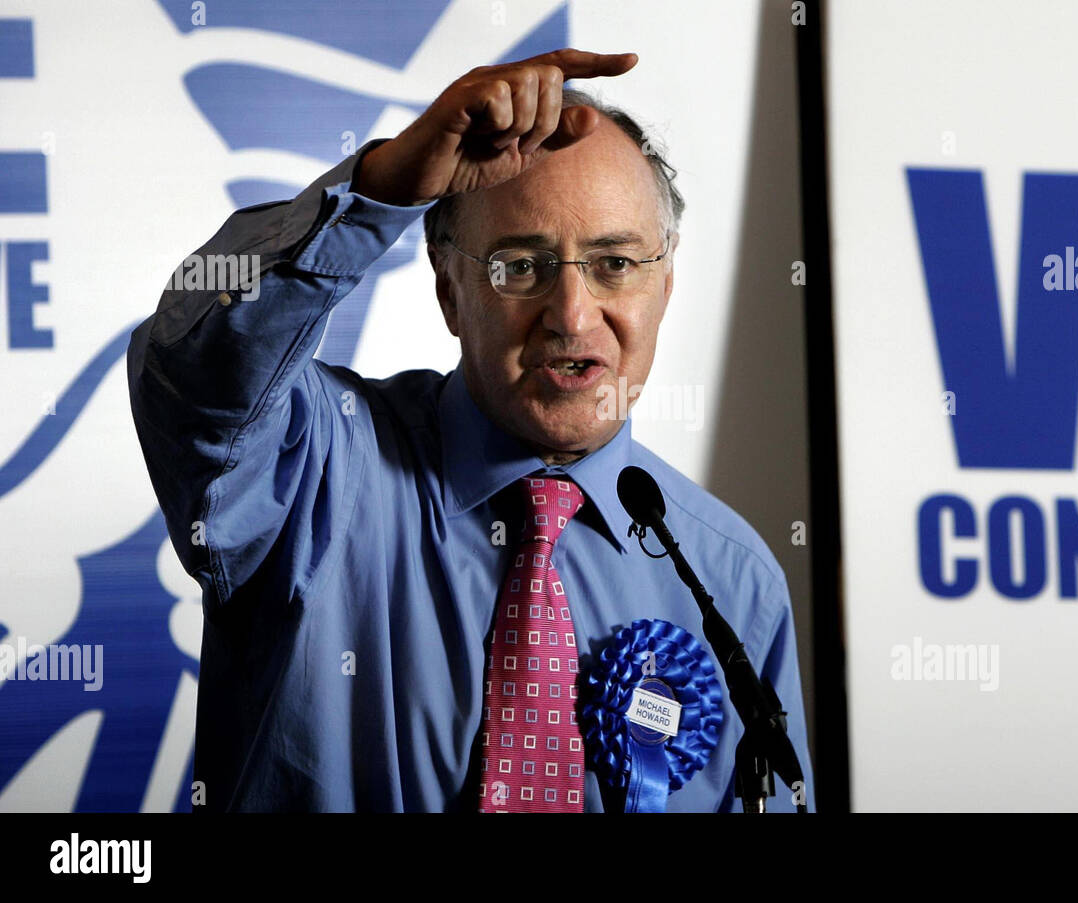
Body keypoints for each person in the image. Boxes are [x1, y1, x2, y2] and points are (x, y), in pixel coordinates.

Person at [127, 47, 814, 812]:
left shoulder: (735, 581)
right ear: (449, 288)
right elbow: (194, 377)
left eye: (615, 263)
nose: (572, 314)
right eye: (521, 266)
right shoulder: (319, 468)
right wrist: (380, 188)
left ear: (665, 281)